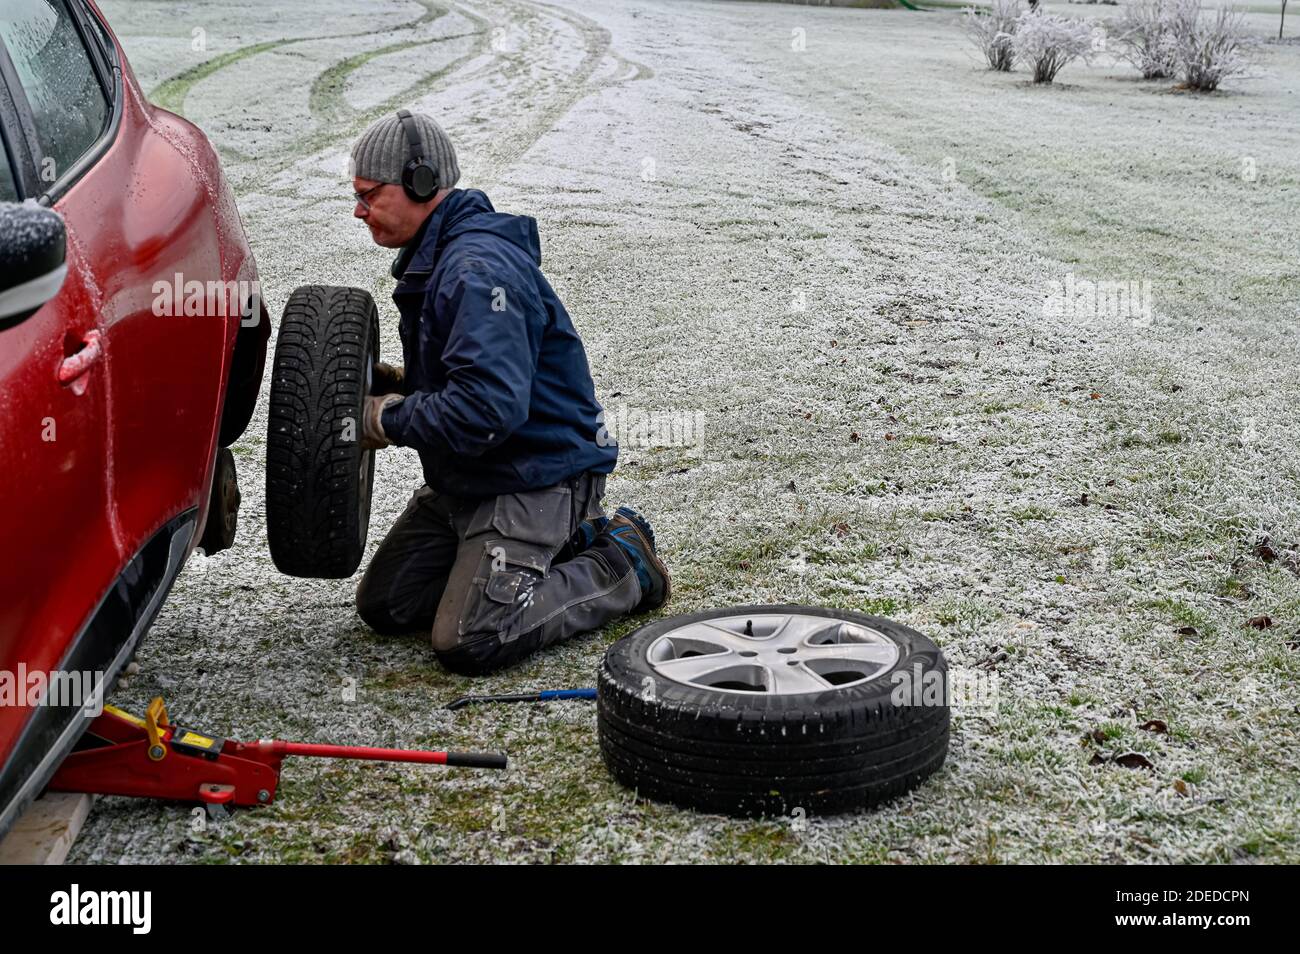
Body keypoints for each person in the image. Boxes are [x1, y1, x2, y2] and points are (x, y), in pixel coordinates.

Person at [348, 108, 669, 675]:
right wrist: (404, 381)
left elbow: (487, 410)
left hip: (535, 474)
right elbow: (471, 376)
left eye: (370, 194)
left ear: (422, 184)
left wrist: (386, 420)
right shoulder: (439, 256)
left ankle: (619, 563)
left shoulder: (476, 270)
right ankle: (552, 546)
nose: (359, 210)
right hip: (472, 478)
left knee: (472, 638)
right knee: (388, 604)